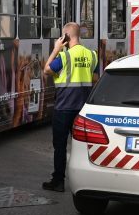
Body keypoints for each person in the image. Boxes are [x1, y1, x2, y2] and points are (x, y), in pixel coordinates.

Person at [41, 22, 98, 192]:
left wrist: (56, 49)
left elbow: (46, 70)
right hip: (83, 109)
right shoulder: (92, 55)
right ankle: (87, 181)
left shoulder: (64, 57)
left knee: (60, 146)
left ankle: (58, 181)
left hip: (64, 108)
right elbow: (95, 78)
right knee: (82, 146)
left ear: (65, 37)